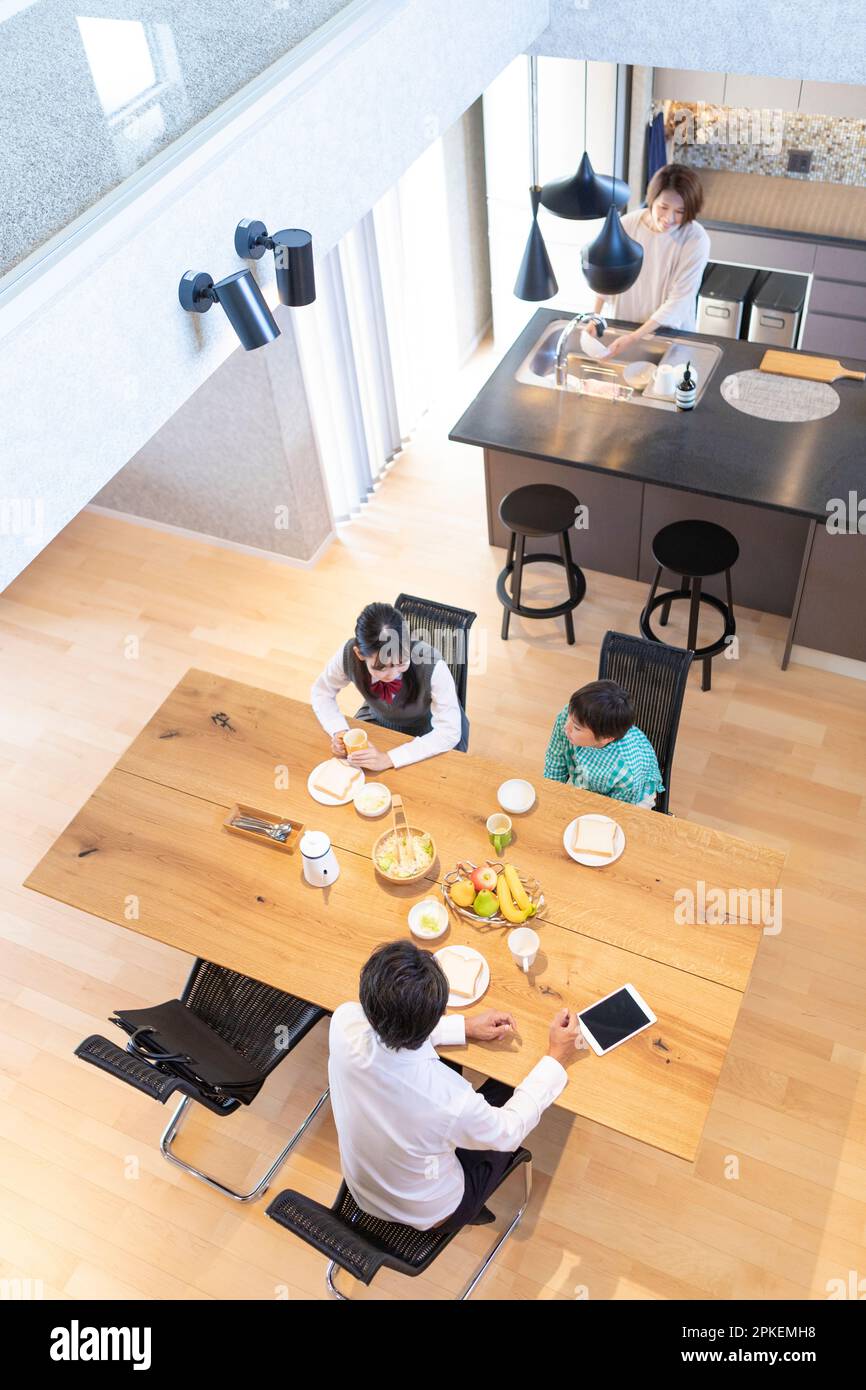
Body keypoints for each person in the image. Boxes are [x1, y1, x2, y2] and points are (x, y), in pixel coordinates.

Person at [327, 940, 583, 1232]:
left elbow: (383, 1025)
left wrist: (465, 1027)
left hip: (364, 1191)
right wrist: (555, 1058)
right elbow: (508, 1132)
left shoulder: (343, 1022)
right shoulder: (449, 1101)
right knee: (507, 1088)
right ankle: (471, 1209)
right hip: (434, 1213)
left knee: (461, 1099)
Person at [311, 601, 467, 773]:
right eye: (380, 667)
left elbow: (448, 732)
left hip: (428, 731)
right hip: (378, 719)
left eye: (401, 663)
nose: (392, 674)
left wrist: (388, 759)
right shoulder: (349, 654)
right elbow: (322, 693)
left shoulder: (432, 664)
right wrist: (339, 732)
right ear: (359, 654)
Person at [588, 163, 710, 356]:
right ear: (652, 200)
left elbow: (679, 299)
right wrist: (596, 317)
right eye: (663, 207)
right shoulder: (627, 225)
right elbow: (605, 275)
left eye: (680, 211)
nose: (668, 218)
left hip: (670, 334)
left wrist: (635, 337)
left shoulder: (695, 239)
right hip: (624, 327)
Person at [544, 679, 663, 808]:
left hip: (631, 799)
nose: (566, 727)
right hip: (586, 781)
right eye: (569, 717)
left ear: (606, 738)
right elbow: (554, 762)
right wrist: (551, 797)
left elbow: (613, 811)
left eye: (577, 728)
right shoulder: (574, 716)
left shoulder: (626, 773)